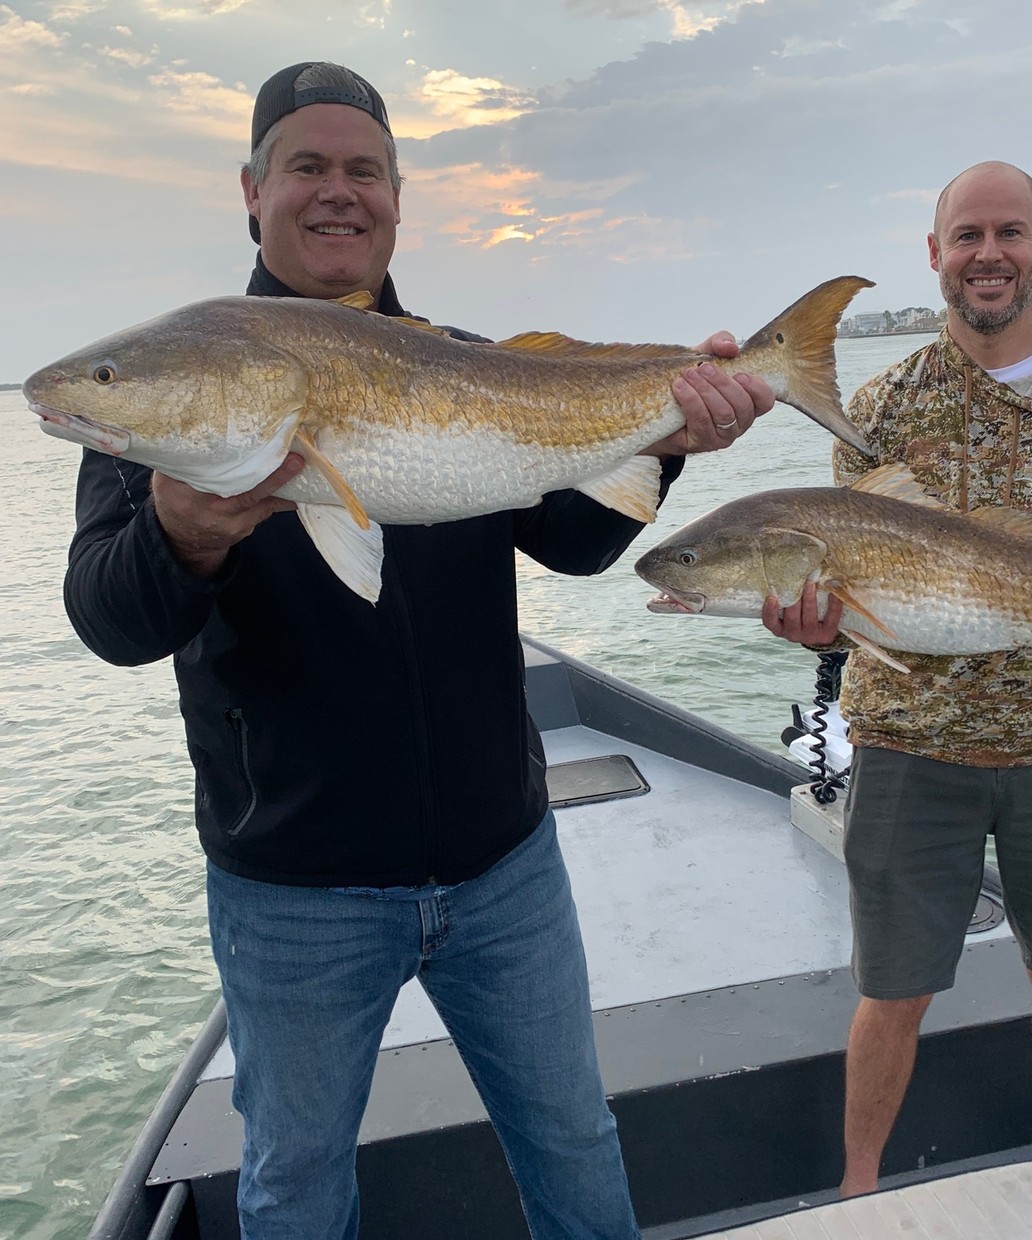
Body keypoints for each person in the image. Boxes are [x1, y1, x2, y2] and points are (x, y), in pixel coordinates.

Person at [64, 61, 775, 1240]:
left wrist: (674, 437)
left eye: (364, 170)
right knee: (294, 1183)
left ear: (397, 195)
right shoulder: (167, 382)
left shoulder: (466, 356)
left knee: (573, 1139)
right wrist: (177, 534)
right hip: (294, 888)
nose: (338, 192)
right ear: (252, 191)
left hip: (506, 863)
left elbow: (574, 539)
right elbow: (109, 619)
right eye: (307, 167)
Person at [763, 160, 1032, 1197]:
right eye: (966, 236)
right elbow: (844, 586)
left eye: (1008, 233)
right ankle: (858, 1191)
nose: (986, 255)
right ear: (934, 255)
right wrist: (809, 622)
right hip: (914, 744)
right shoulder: (877, 404)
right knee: (890, 989)